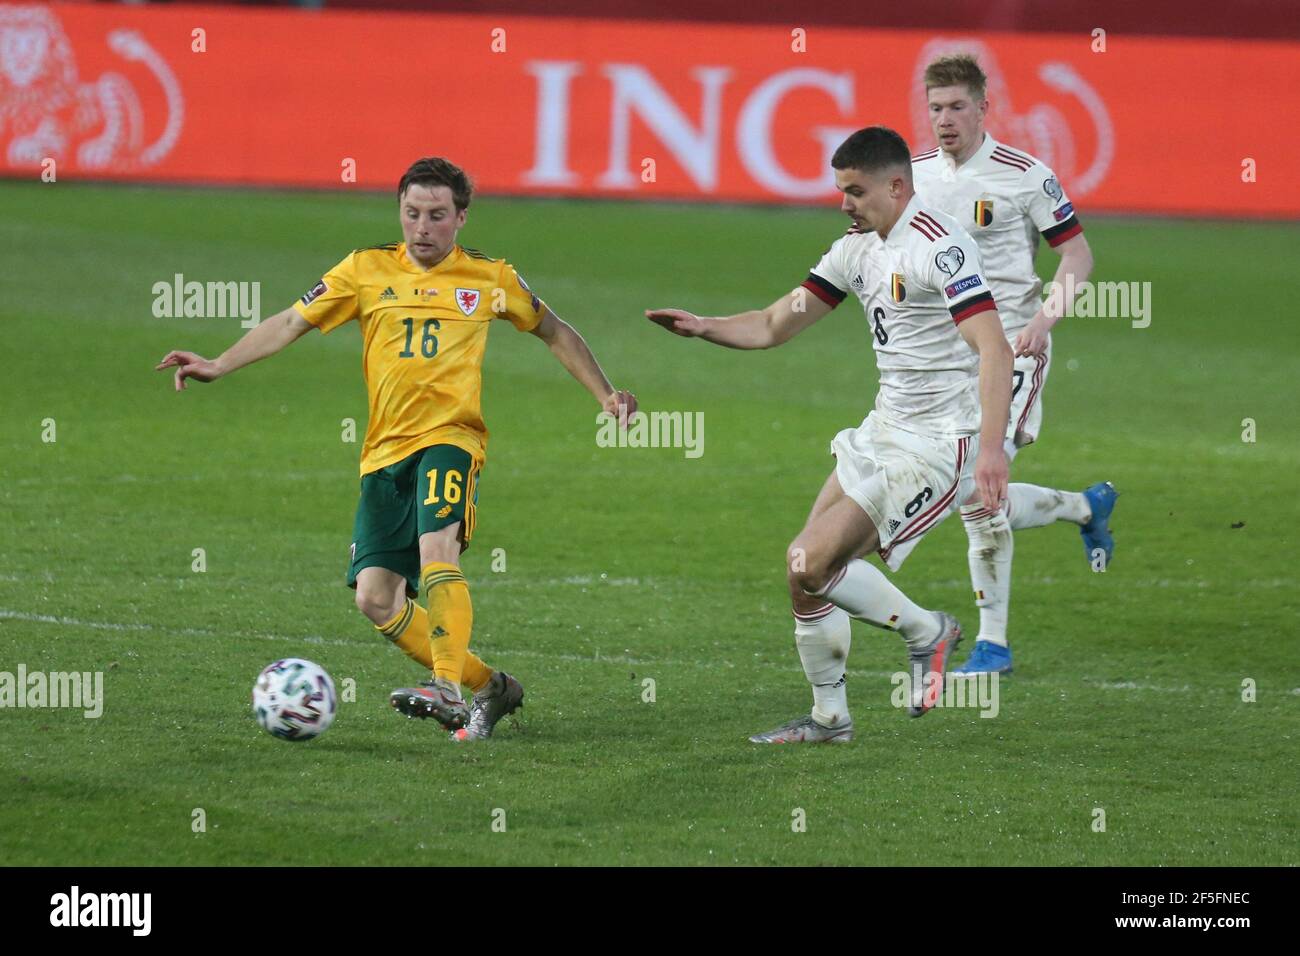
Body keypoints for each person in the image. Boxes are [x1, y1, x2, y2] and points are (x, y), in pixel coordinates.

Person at [157, 157, 636, 741]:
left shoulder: (490, 279)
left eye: (437, 215)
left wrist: (606, 394)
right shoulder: (364, 270)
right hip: (383, 454)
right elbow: (290, 321)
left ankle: (447, 688)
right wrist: (219, 363)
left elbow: (554, 330)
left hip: (451, 440)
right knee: (376, 599)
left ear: (461, 218)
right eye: (412, 213)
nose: (422, 227)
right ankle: (491, 688)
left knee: (439, 551)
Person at [647, 127, 1011, 742]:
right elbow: (772, 324)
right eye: (840, 190)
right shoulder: (856, 248)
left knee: (811, 560)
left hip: (935, 443)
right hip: (880, 432)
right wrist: (702, 326)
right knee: (803, 574)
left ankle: (927, 631)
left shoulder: (940, 246)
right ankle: (830, 720)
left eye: (855, 191)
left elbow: (995, 350)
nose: (844, 203)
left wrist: (994, 450)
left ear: (897, 186)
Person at [914, 54, 1117, 675]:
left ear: (983, 107)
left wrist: (1043, 321)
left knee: (978, 488)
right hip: (942, 357)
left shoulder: (1025, 175)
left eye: (955, 107)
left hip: (1013, 346)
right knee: (972, 495)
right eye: (934, 109)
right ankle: (1085, 507)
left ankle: (992, 645)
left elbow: (1077, 256)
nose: (944, 120)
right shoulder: (914, 177)